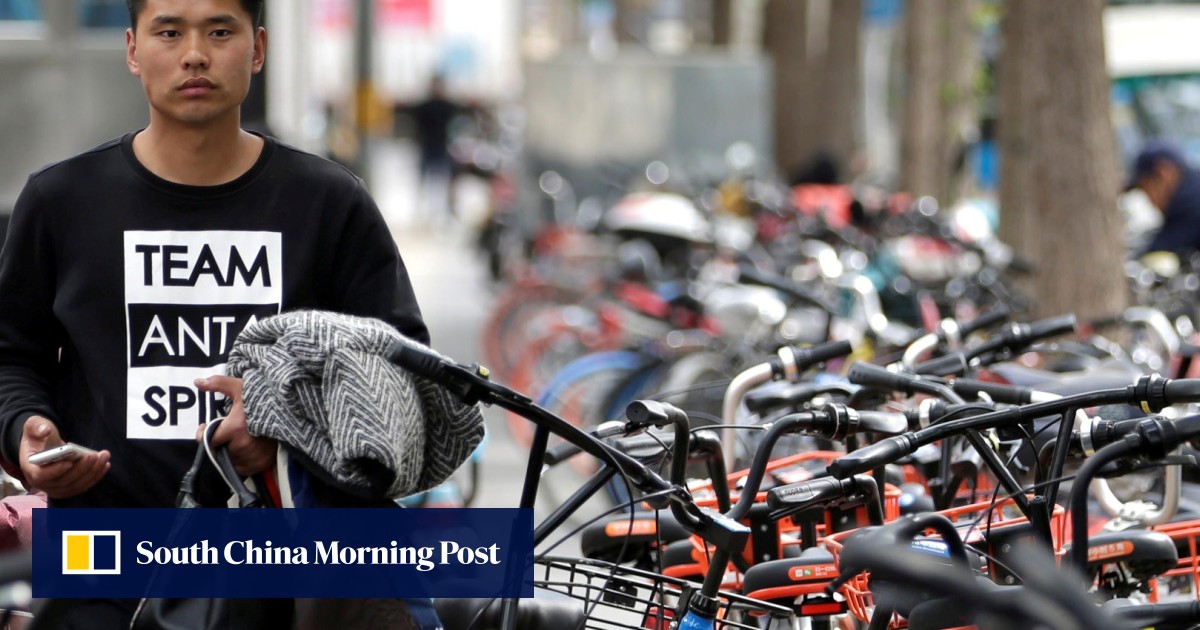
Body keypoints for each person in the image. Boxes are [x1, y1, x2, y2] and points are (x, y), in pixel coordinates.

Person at [0, 0, 428, 626]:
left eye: (219, 31)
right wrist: (25, 427)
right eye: (169, 31)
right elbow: (11, 353)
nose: (194, 53)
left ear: (257, 49)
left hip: (285, 573)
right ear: (132, 50)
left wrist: (285, 436)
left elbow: (401, 379)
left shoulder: (329, 204)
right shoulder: (61, 201)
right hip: (99, 568)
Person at [1126, 140, 1200, 257]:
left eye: (1146, 188)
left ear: (1163, 173)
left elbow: (1161, 249)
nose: (1150, 201)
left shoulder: (1188, 202)